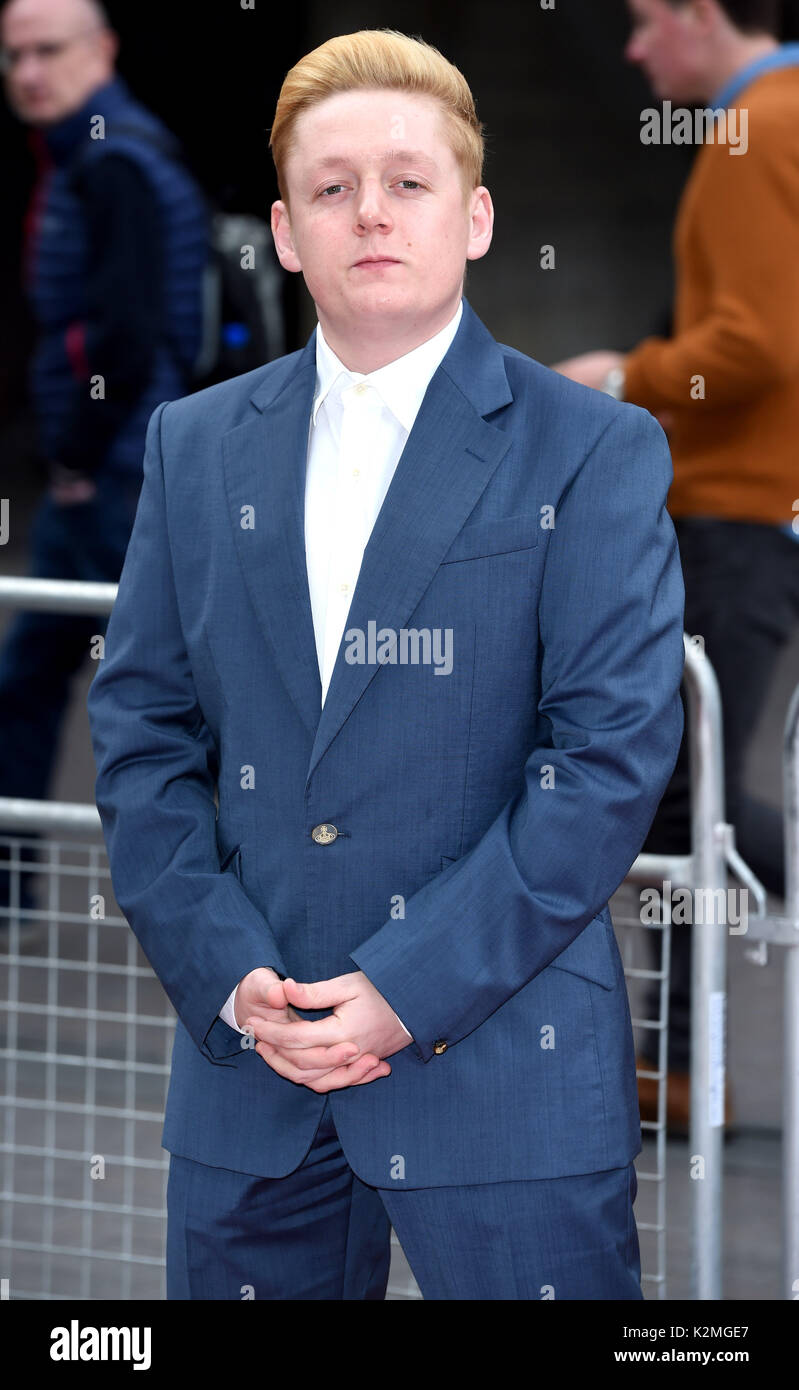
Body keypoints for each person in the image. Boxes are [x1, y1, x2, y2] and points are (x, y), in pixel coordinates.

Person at [87, 28, 685, 1301]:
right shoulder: (193, 450)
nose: (371, 213)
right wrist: (225, 970)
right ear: (285, 231)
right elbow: (143, 734)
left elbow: (604, 760)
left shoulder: (592, 450)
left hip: (504, 1077)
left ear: (473, 218)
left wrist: (405, 989)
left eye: (407, 183)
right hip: (250, 1081)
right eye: (332, 186)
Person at [554, 0, 799, 1131]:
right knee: (685, 793)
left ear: (703, 15)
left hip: (741, 514)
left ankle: (678, 1069)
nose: (635, 48)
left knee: (680, 800)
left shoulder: (756, 132)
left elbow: (752, 345)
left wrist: (623, 373)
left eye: (649, 21)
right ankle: (674, 1066)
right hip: (753, 510)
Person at [0, 0, 208, 923]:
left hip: (117, 478)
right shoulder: (104, 154)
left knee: (179, 691)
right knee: (39, 673)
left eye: (48, 51)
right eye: (13, 55)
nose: (28, 73)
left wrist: (79, 457)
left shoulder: (116, 162)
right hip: (111, 474)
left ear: (103, 51)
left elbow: (125, 336)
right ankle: (12, 882)